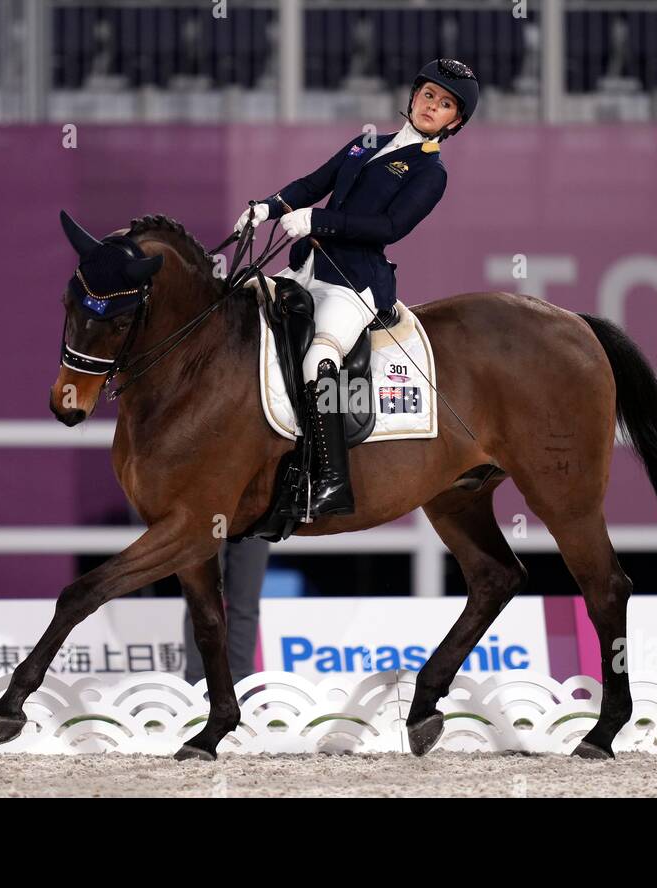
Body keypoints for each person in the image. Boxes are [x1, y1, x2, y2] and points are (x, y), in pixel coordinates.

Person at [234, 58, 480, 519]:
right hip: (306, 268)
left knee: (319, 358)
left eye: (445, 104)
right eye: (429, 95)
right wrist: (265, 209)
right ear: (414, 96)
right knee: (242, 309)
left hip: (354, 284)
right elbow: (313, 183)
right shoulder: (367, 143)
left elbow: (389, 227)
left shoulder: (431, 173)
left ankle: (332, 480)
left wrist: (318, 220)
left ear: (455, 122)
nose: (432, 106)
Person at [181, 537, 269, 687]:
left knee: (245, 607)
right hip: (206, 523)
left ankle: (242, 684)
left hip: (254, 525)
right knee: (200, 603)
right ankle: (198, 683)